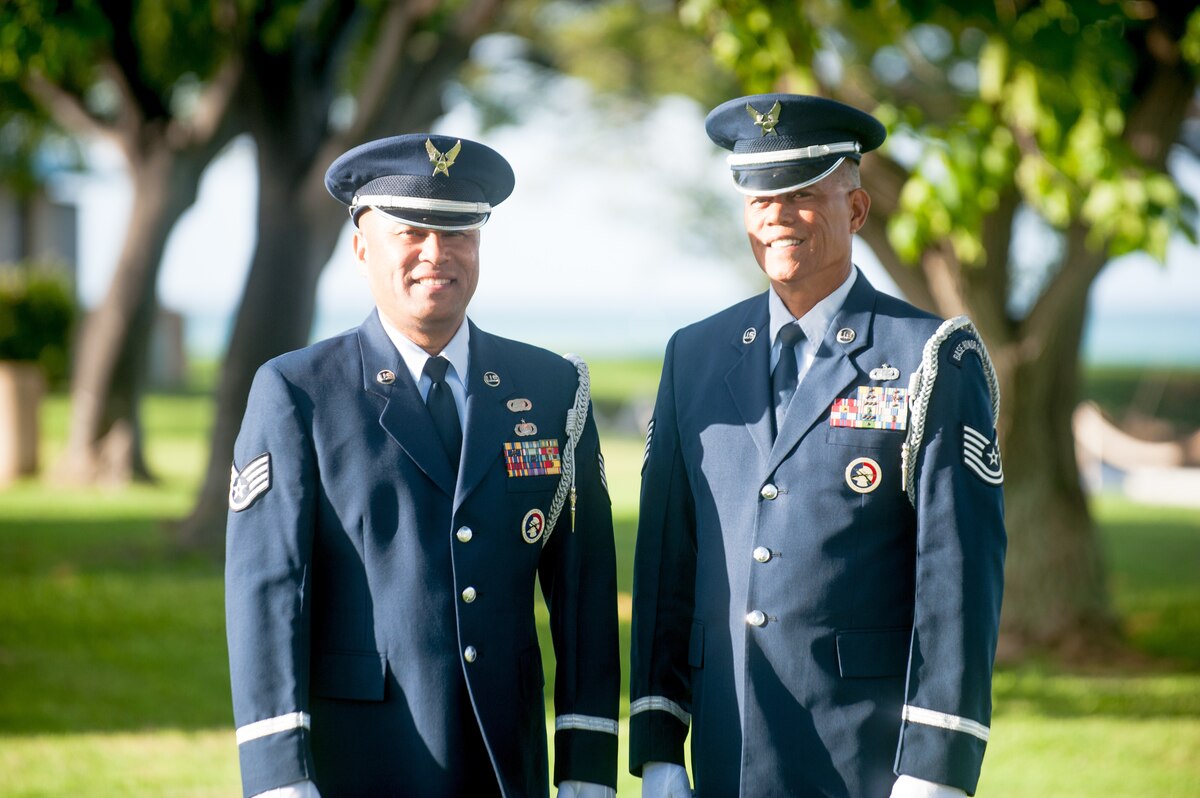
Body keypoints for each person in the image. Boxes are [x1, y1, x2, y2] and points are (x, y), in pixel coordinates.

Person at [629, 94, 1006, 797]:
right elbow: (666, 569)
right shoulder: (695, 354)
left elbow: (957, 581)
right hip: (723, 750)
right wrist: (658, 746)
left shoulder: (929, 356)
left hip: (863, 758)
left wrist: (935, 769)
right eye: (759, 197)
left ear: (856, 210)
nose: (776, 215)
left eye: (801, 194)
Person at [225, 134, 619, 798]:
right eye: (410, 232)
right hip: (360, 760)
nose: (436, 254)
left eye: (459, 232)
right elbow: (268, 593)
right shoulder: (298, 391)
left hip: (504, 762)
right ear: (360, 247)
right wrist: (278, 775)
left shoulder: (553, 389)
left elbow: (583, 597)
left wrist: (586, 767)